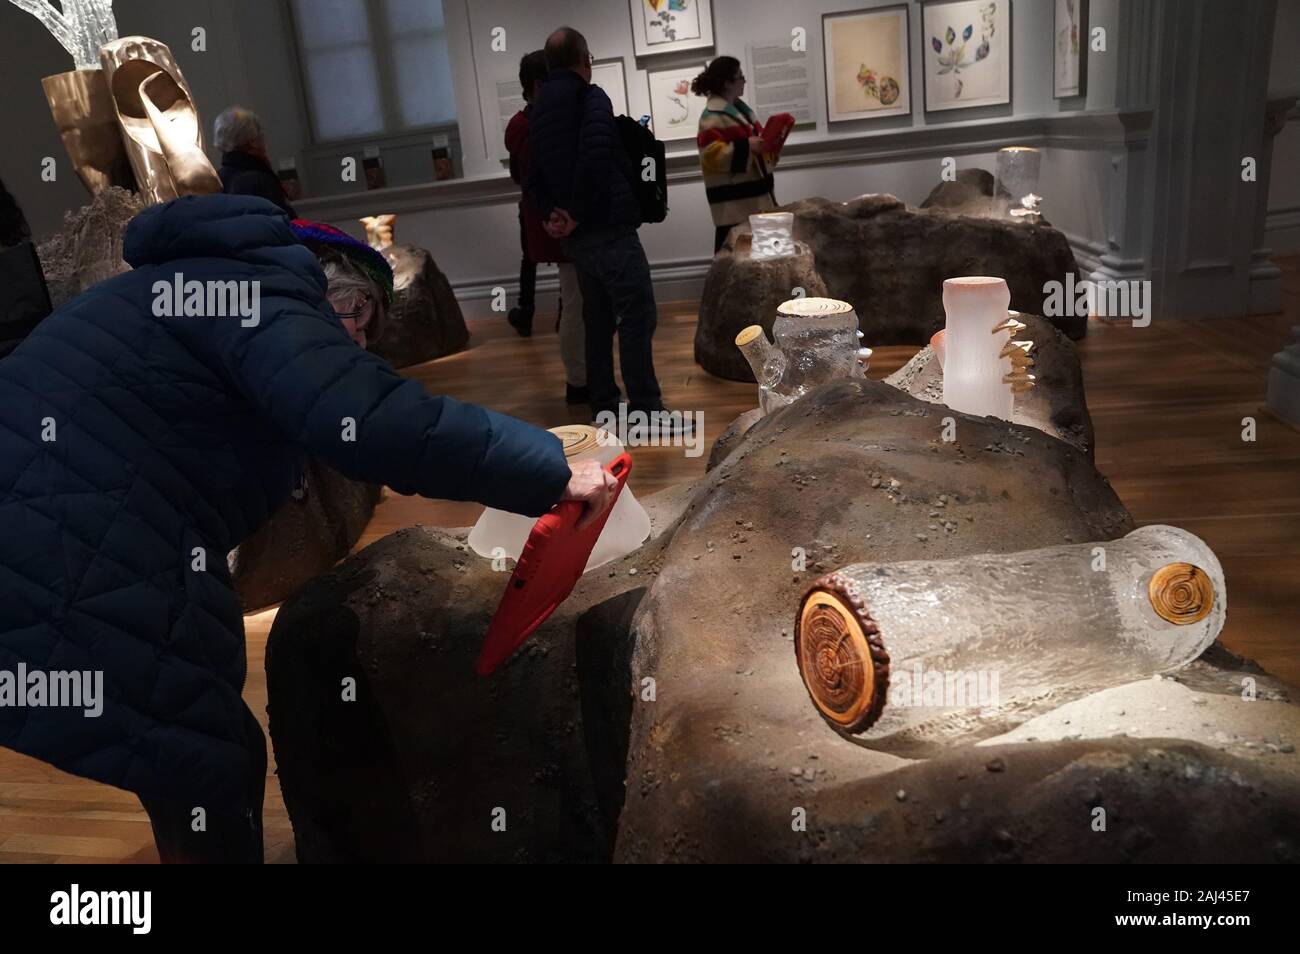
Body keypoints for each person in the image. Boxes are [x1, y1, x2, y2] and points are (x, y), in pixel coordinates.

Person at [0, 193, 619, 863]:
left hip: (69, 526)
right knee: (201, 762)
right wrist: (545, 470)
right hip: (66, 540)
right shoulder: (260, 290)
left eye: (368, 329)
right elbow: (374, 421)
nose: (355, 340)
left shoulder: (188, 284)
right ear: (318, 280)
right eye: (353, 316)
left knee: (190, 751)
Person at [528, 26, 690, 433]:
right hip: (607, 228)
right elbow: (597, 156)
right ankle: (647, 411)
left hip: (578, 238)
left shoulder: (540, 106)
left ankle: (604, 405)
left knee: (597, 318)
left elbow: (532, 175)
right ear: (585, 61)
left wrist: (555, 215)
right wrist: (579, 212)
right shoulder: (590, 96)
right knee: (638, 314)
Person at [505, 50, 589, 405]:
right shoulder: (530, 125)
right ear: (541, 85)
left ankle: (583, 375)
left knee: (576, 300)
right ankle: (579, 380)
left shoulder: (527, 123)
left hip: (554, 220)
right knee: (575, 302)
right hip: (558, 223)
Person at [691, 57, 782, 253]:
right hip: (734, 209)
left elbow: (756, 144)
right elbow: (711, 155)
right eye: (740, 77)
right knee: (737, 267)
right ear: (727, 83)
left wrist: (770, 147)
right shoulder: (712, 116)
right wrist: (747, 147)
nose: (744, 81)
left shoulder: (740, 110)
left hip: (754, 202)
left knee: (764, 265)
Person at [214, 106, 297, 217]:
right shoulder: (261, 180)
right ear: (253, 141)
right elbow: (282, 225)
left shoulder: (216, 180)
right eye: (261, 136)